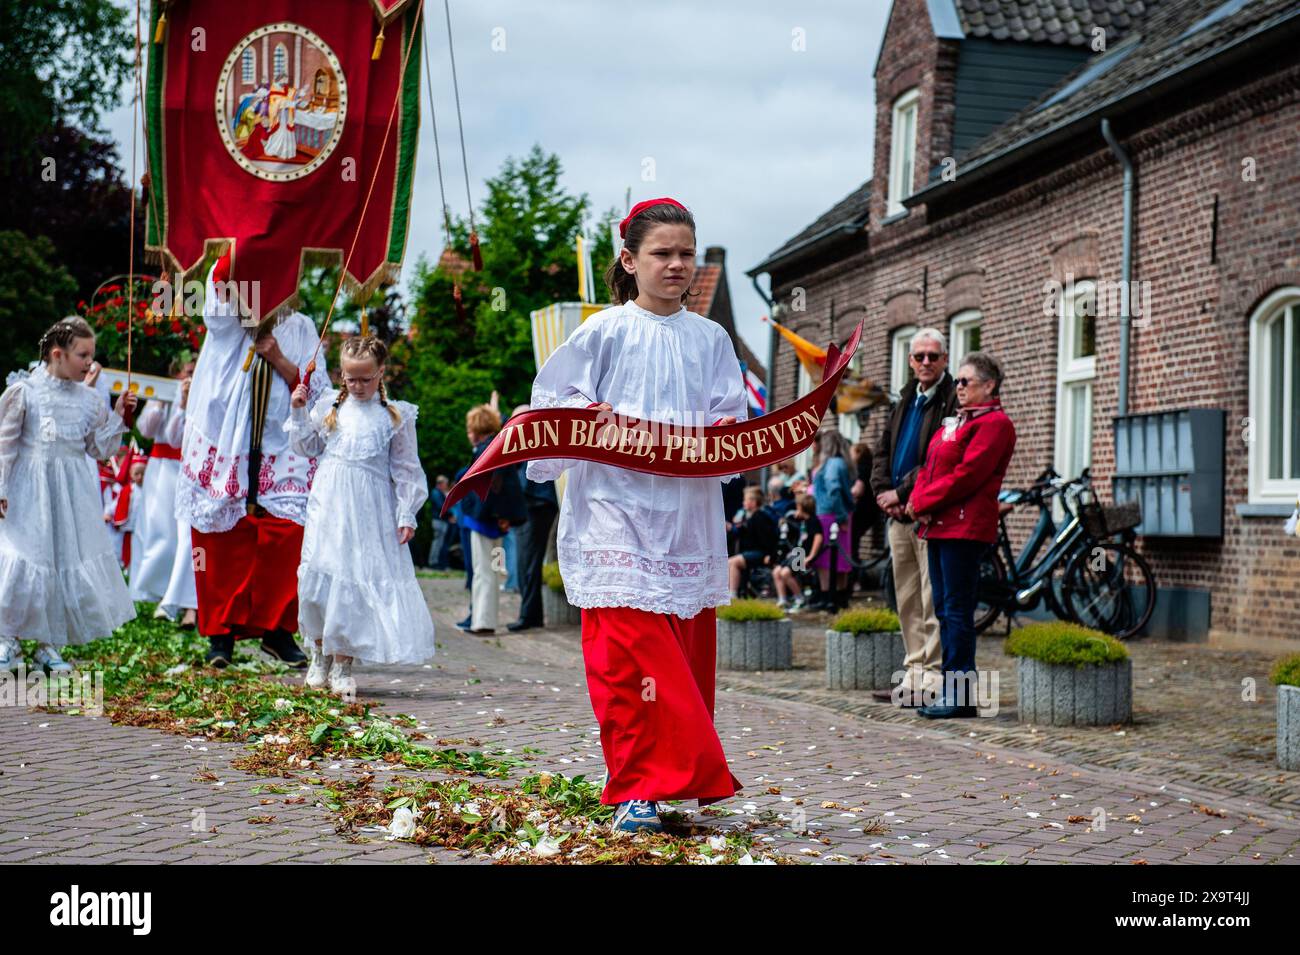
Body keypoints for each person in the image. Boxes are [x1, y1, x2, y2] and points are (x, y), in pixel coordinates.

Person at [526, 197, 745, 834]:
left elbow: (730, 413)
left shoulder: (712, 338)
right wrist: (584, 414)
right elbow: (552, 403)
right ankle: (636, 787)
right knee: (628, 658)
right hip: (613, 512)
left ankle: (669, 779)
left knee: (680, 652)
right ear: (630, 259)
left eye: (685, 253)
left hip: (686, 518)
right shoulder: (602, 331)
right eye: (662, 253)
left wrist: (730, 425)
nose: (676, 264)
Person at [176, 254, 330, 668]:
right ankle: (220, 636)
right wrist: (255, 236)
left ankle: (277, 631)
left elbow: (321, 393)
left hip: (283, 446)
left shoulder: (301, 327)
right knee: (221, 537)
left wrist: (278, 357)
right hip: (227, 443)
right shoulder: (227, 322)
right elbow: (219, 279)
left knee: (285, 535)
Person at [288, 335, 434, 700]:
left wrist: (407, 512)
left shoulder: (394, 415)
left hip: (369, 506)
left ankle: (343, 663)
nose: (358, 386)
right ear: (342, 376)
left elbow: (406, 469)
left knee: (355, 578)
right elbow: (306, 447)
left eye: (366, 379)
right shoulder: (329, 407)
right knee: (322, 573)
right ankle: (318, 655)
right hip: (330, 501)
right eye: (351, 379)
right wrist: (298, 411)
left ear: (381, 373)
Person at [0, 317, 138, 673]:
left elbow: (98, 448)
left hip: (72, 494)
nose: (90, 364)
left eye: (91, 355)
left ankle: (51, 644)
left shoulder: (90, 401)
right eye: (83, 355)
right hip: (29, 493)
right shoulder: (25, 392)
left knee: (62, 560)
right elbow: (5, 445)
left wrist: (120, 417)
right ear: (58, 354)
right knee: (25, 557)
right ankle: (8, 639)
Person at [907, 351, 1015, 719]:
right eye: (958, 381)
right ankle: (951, 689)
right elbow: (929, 463)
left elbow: (969, 475)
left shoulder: (995, 425)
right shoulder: (957, 422)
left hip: (965, 528)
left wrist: (921, 500)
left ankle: (961, 693)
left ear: (989, 385)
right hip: (939, 525)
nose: (959, 387)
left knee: (957, 610)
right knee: (943, 609)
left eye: (966, 381)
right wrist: (917, 496)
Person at [870, 327, 956, 706]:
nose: (925, 362)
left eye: (932, 357)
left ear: (944, 360)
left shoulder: (952, 401)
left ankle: (933, 677)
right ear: (910, 360)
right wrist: (880, 492)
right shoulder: (905, 399)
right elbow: (883, 450)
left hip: (927, 515)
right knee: (905, 597)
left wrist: (902, 493)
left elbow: (936, 461)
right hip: (897, 516)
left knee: (930, 597)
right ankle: (914, 671)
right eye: (919, 356)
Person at [132, 358, 196, 621]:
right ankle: (152, 589)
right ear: (176, 372)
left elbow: (178, 438)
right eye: (188, 371)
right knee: (156, 529)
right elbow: (146, 430)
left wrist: (182, 405)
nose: (192, 377)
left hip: (183, 468)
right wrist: (161, 401)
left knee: (181, 536)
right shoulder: (160, 393)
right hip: (160, 469)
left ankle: (177, 594)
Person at [456, 404, 526, 634]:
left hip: (483, 522)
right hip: (496, 523)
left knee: (483, 571)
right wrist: (505, 516)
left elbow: (491, 489)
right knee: (493, 571)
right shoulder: (497, 447)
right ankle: (487, 619)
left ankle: (483, 622)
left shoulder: (485, 450)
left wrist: (496, 514)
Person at [508, 404, 559, 633]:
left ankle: (529, 615)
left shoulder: (535, 440)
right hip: (534, 505)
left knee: (527, 563)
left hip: (535, 506)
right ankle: (531, 615)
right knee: (527, 563)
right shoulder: (536, 439)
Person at [809, 430, 855, 610]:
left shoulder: (829, 463)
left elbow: (832, 490)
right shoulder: (836, 463)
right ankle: (834, 598)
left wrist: (841, 515)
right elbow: (834, 490)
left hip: (831, 514)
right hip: (834, 514)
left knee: (831, 559)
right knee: (834, 558)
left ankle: (830, 597)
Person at [773, 493, 823, 612]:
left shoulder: (813, 521)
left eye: (797, 507)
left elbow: (818, 538)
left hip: (804, 555)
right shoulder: (803, 520)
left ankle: (800, 599)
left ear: (801, 507)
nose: (796, 510)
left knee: (785, 573)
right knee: (776, 572)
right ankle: (783, 600)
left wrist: (811, 556)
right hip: (797, 553)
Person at [727, 485, 777, 598]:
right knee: (731, 561)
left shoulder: (760, 517)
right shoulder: (750, 517)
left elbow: (769, 539)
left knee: (732, 562)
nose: (743, 502)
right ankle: (734, 591)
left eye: (745, 500)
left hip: (762, 553)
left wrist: (770, 555)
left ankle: (732, 595)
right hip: (753, 551)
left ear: (754, 502)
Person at [427, 475, 451, 569]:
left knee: (439, 542)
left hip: (440, 520)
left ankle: (436, 561)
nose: (446, 485)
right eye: (445, 484)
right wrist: (450, 515)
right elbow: (441, 506)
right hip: (438, 521)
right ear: (440, 483)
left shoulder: (438, 493)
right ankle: (433, 562)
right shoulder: (436, 493)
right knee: (437, 542)